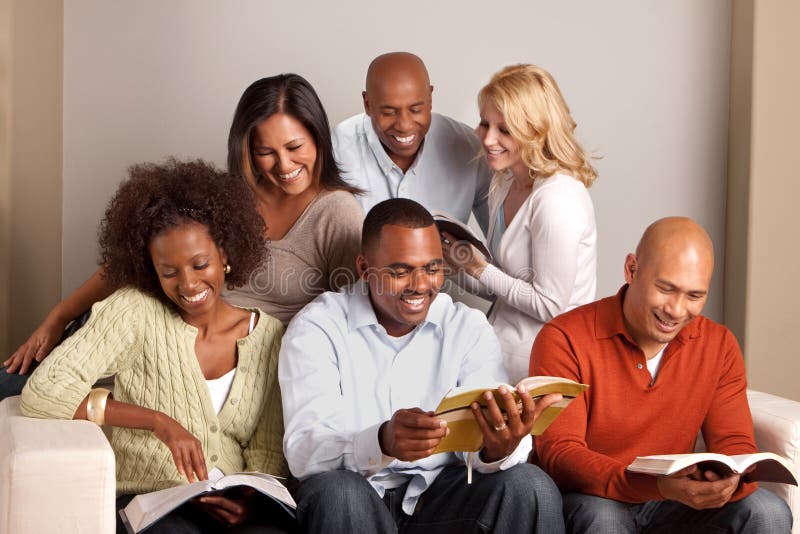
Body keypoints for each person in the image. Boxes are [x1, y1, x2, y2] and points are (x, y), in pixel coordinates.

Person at [2, 73, 363, 398]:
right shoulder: (229, 196)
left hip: (231, 365)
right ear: (247, 151)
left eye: (294, 147)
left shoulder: (337, 213)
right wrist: (58, 317)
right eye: (265, 152)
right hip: (150, 329)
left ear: (318, 137)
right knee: (13, 385)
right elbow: (135, 263)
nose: (283, 165)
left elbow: (356, 316)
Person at [20, 159, 293, 534]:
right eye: (169, 272)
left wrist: (248, 500)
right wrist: (157, 421)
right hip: (152, 506)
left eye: (200, 264)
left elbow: (267, 451)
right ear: (151, 269)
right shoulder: (134, 312)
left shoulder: (268, 335)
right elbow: (43, 392)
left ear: (225, 255)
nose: (188, 284)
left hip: (230, 509)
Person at [279, 198, 565, 533]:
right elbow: (304, 452)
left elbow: (480, 447)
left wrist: (498, 447)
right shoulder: (318, 326)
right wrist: (381, 442)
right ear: (364, 268)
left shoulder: (466, 327)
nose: (419, 285)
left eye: (432, 269)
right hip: (354, 496)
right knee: (339, 492)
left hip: (441, 497)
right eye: (400, 272)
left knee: (531, 485)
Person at [531, 217, 792, 533]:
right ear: (632, 270)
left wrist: (729, 482)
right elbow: (560, 454)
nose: (677, 310)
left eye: (694, 296)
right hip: (593, 498)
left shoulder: (719, 345)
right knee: (604, 519)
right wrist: (655, 485)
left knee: (767, 511)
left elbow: (734, 443)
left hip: (672, 502)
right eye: (666, 289)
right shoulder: (564, 337)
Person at [443, 64, 597, 383]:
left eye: (505, 129)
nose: (488, 139)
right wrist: (449, 263)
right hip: (500, 360)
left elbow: (550, 306)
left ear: (536, 131)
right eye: (484, 123)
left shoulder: (557, 198)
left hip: (547, 369)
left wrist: (478, 268)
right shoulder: (504, 182)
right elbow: (504, 290)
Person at [333, 52, 491, 230]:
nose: (404, 126)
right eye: (388, 112)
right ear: (367, 104)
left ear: (430, 98)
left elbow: (502, 240)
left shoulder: (469, 147)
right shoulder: (337, 150)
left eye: (416, 109)